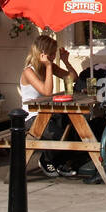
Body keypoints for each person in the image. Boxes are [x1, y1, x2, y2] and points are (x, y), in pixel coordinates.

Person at [20, 33, 77, 176]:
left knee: (71, 127)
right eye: (51, 54)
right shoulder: (29, 71)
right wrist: (49, 66)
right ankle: (46, 160)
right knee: (58, 135)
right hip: (31, 117)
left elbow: (72, 78)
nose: (53, 57)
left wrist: (66, 61)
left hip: (47, 113)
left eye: (54, 54)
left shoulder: (49, 67)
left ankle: (58, 162)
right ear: (42, 53)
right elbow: (47, 92)